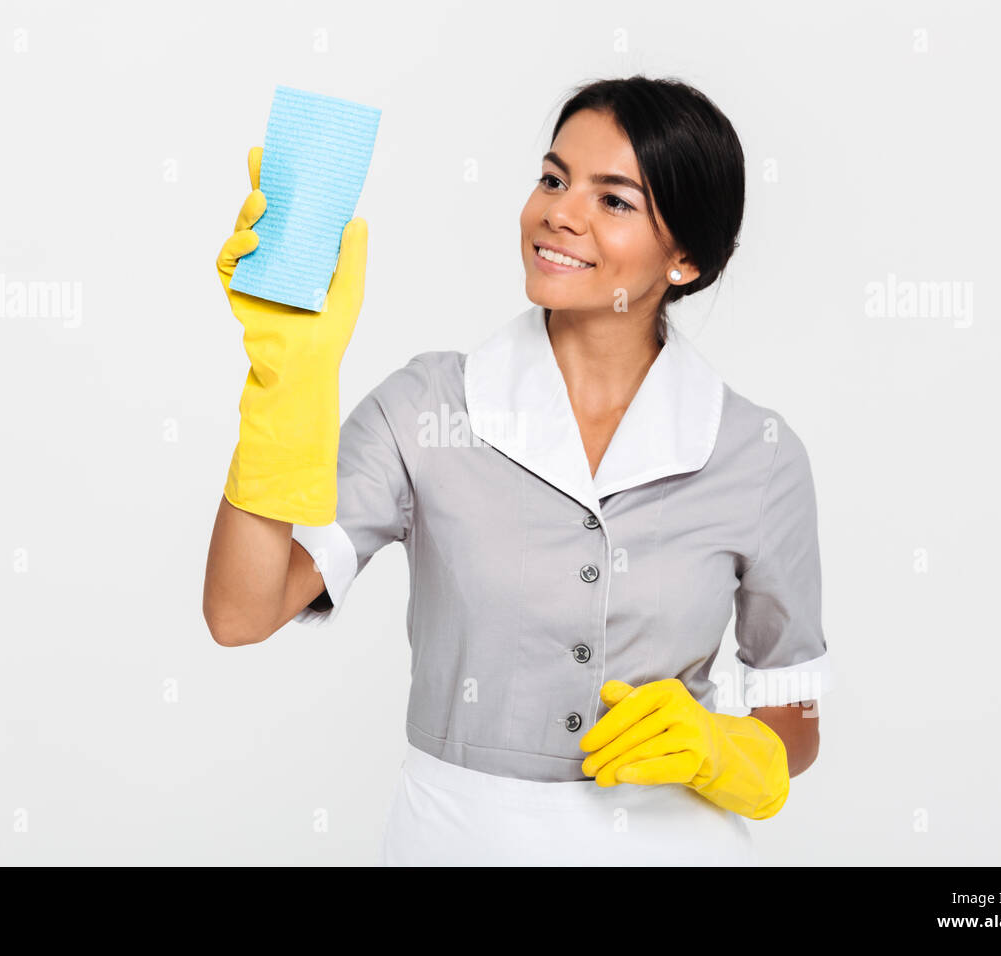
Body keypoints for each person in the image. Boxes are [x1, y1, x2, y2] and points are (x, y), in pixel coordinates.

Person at [203, 75, 834, 866]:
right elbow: (240, 613)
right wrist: (284, 382)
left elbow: (794, 721)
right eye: (553, 177)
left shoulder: (755, 455)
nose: (558, 212)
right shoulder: (426, 408)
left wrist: (721, 750)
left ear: (684, 260)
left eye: (614, 200)